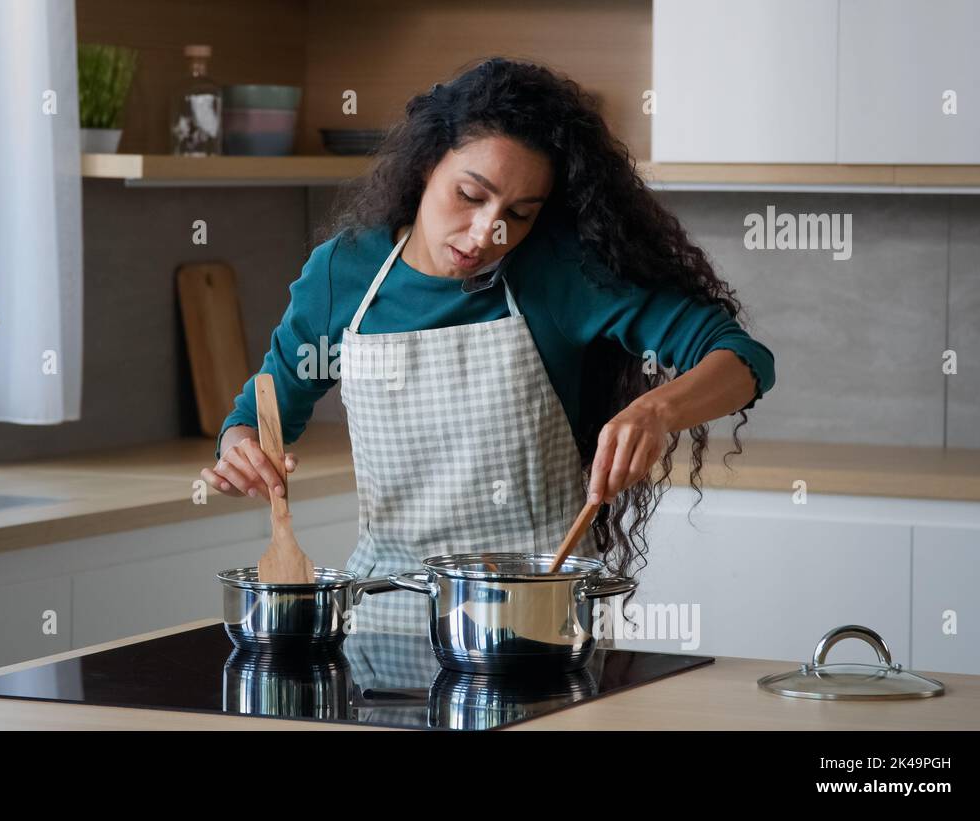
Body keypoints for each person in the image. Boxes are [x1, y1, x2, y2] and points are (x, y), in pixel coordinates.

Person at [200, 58, 776, 635]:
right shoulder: (345, 274)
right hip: (385, 617)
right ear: (428, 164)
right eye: (470, 195)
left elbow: (741, 357)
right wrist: (243, 445)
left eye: (518, 214)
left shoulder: (559, 275)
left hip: (535, 624)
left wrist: (657, 409)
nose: (486, 235)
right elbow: (262, 410)